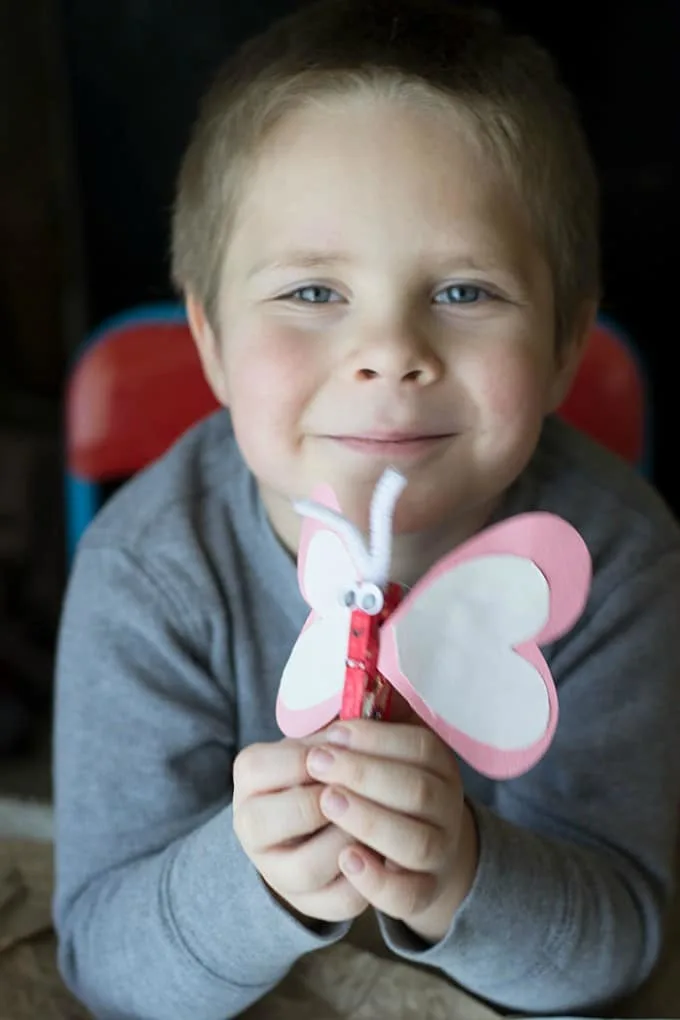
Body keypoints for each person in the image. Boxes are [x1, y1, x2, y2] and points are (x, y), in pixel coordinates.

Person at [53, 1, 680, 1017]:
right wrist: (249, 880)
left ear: (567, 341)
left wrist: (462, 876)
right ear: (209, 341)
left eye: (465, 291)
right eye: (310, 292)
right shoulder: (150, 573)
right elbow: (101, 959)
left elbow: (619, 943)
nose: (389, 350)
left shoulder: (617, 560)